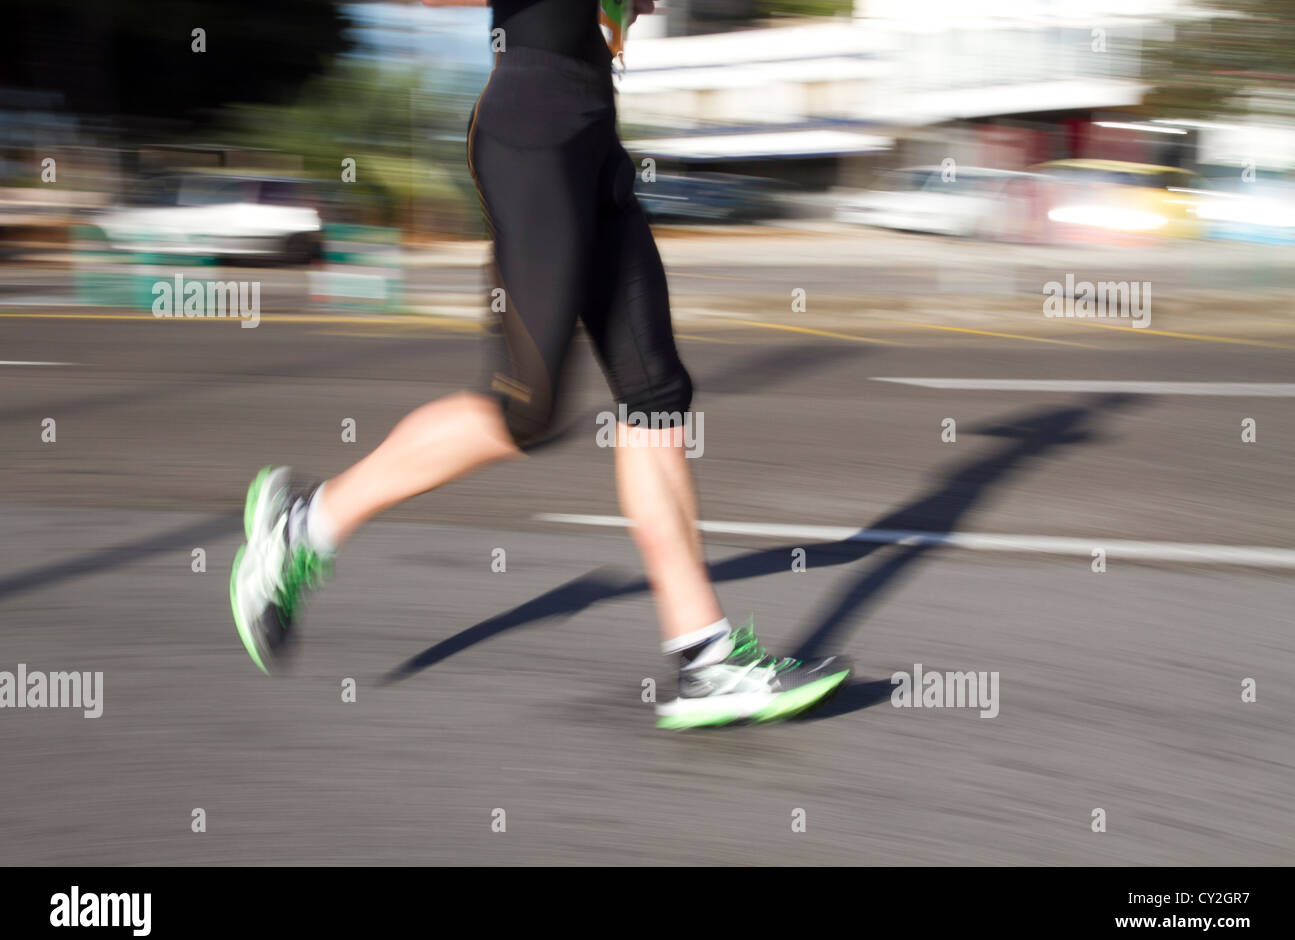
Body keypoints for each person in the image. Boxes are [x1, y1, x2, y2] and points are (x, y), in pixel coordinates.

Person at [229, 0, 849, 728]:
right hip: (533, 123)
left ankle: (708, 664)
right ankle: (305, 525)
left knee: (656, 397)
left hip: (596, 133)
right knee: (527, 407)